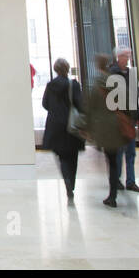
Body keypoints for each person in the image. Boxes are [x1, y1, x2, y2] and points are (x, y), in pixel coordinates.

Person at [87, 54, 130, 207]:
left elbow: (91, 107)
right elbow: (125, 102)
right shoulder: (115, 82)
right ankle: (114, 191)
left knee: (110, 160)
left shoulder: (97, 83)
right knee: (114, 159)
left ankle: (112, 193)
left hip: (104, 126)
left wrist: (89, 127)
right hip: (116, 124)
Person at [42, 58, 85, 202]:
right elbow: (80, 105)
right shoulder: (73, 85)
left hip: (55, 125)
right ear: (67, 69)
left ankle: (67, 181)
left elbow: (45, 104)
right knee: (72, 156)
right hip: (71, 126)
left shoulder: (50, 85)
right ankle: (71, 182)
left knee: (62, 157)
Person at [107, 48, 139, 193]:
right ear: (119, 57)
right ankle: (118, 179)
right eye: (125, 56)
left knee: (131, 151)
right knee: (120, 151)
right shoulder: (112, 73)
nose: (127, 58)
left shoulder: (130, 73)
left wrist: (137, 116)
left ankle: (130, 180)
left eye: (128, 56)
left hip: (130, 118)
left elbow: (136, 95)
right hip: (118, 118)